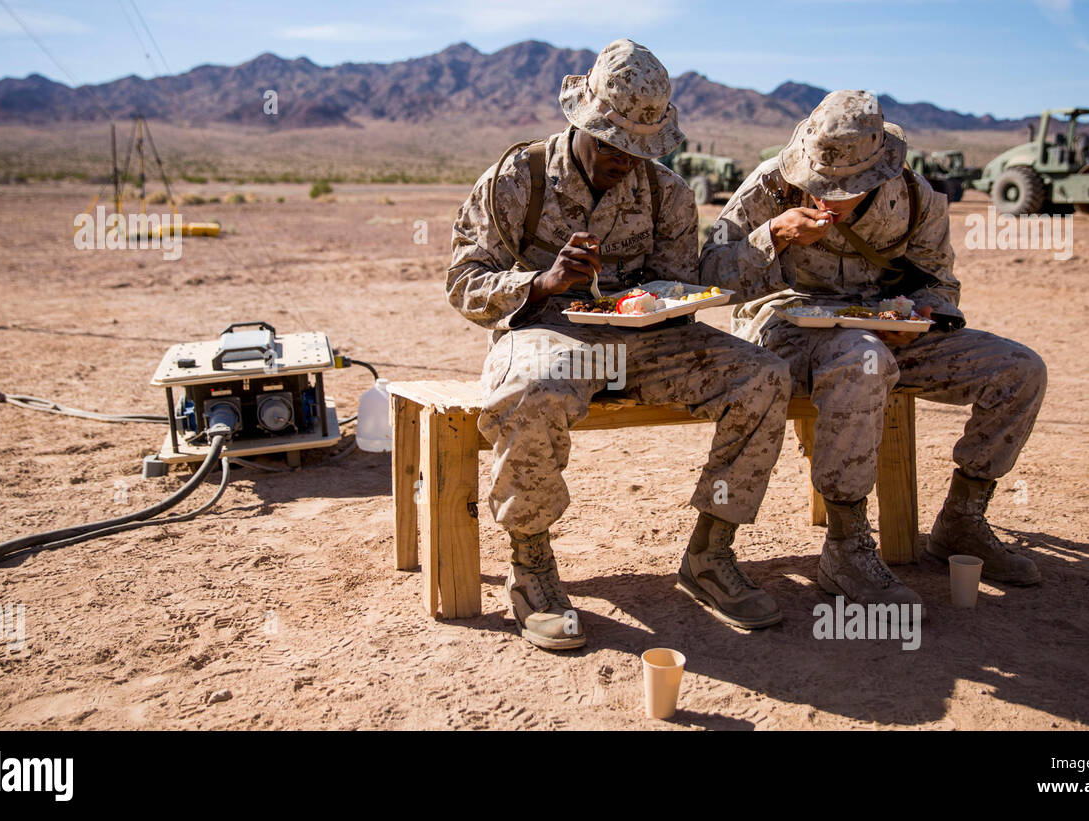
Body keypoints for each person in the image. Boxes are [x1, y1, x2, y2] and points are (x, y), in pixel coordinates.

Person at [447, 39, 795, 650]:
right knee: (531, 391)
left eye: (639, 148)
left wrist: (669, 302)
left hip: (647, 342)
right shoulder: (515, 181)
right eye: (611, 142)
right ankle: (531, 567)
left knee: (763, 376)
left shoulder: (668, 194)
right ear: (579, 120)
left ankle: (710, 554)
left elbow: (678, 284)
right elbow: (464, 284)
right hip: (548, 331)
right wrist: (543, 282)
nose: (625, 159)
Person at [699, 90, 1048, 606]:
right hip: (787, 330)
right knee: (863, 362)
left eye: (843, 189)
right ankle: (846, 546)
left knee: (1020, 369)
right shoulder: (772, 186)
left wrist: (924, 312)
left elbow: (941, 285)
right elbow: (708, 277)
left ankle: (963, 520)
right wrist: (772, 235)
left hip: (889, 330)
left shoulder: (913, 198)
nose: (826, 197)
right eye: (820, 184)